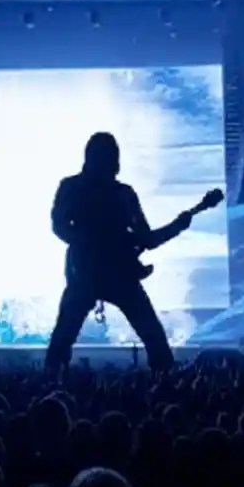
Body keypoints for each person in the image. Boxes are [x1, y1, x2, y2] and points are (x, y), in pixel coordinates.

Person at [44, 132, 200, 372]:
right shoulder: (104, 191)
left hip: (98, 274)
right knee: (153, 338)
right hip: (101, 274)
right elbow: (60, 226)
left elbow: (144, 238)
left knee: (63, 339)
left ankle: (51, 381)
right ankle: (167, 385)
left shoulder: (109, 192)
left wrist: (176, 226)